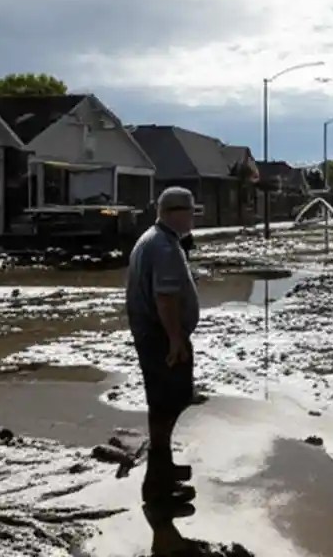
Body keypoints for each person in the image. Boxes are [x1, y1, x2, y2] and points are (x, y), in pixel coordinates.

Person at [125, 186, 200, 503]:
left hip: (151, 334)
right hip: (160, 337)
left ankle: (163, 465)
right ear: (174, 213)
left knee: (164, 401)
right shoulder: (165, 247)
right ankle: (159, 478)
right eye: (191, 212)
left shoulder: (154, 240)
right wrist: (175, 339)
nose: (193, 218)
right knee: (169, 401)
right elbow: (165, 298)